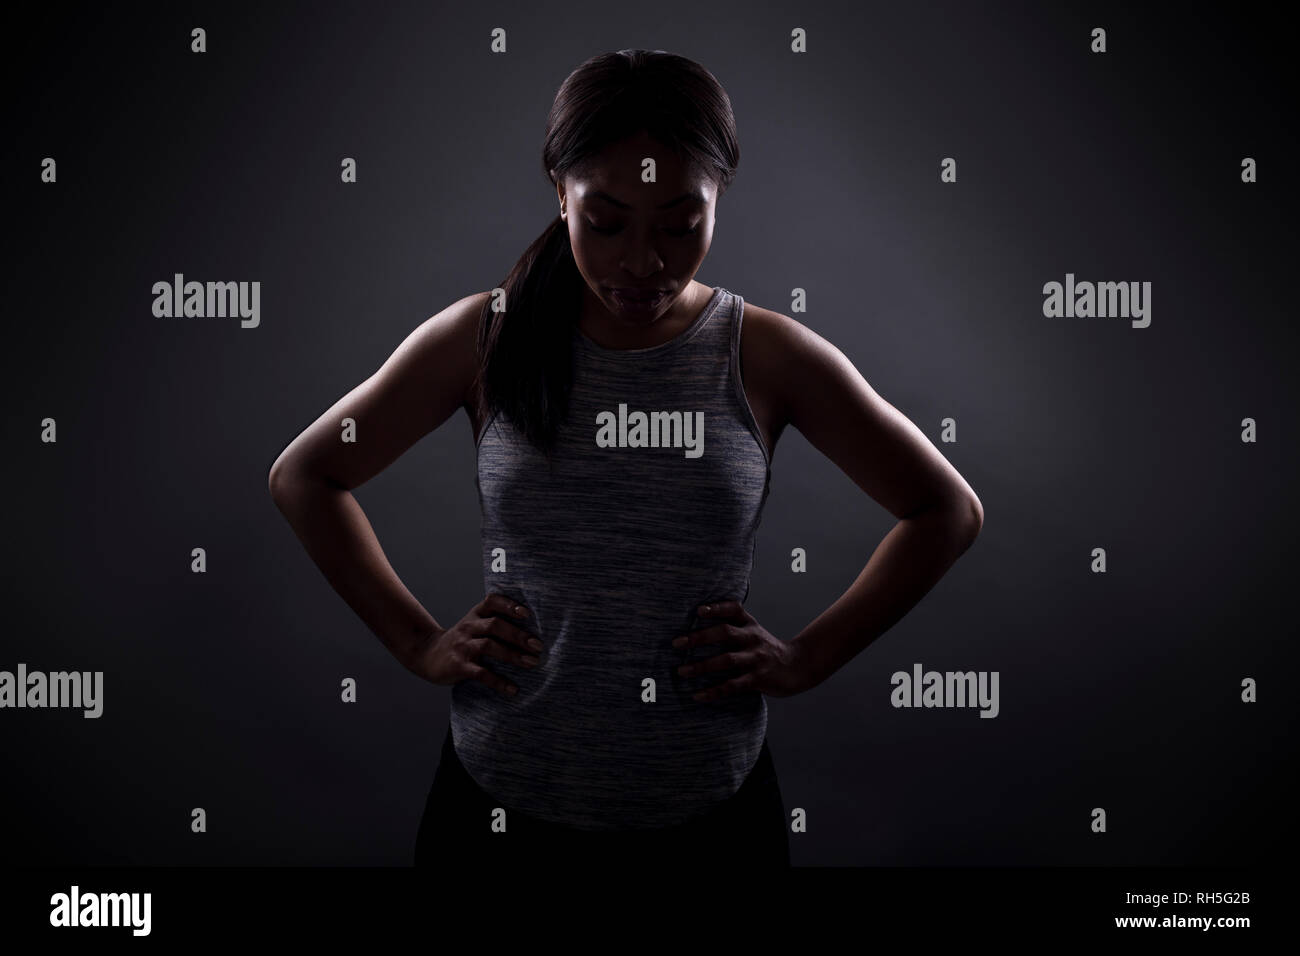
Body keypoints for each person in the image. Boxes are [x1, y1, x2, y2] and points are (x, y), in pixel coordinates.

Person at [268, 49, 983, 870]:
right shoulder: (485, 338)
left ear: (720, 198)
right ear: (558, 191)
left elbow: (946, 511)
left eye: (681, 225)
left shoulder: (764, 355)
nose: (643, 263)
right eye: (605, 222)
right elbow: (306, 477)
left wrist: (809, 657)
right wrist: (416, 643)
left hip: (710, 818)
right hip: (500, 809)